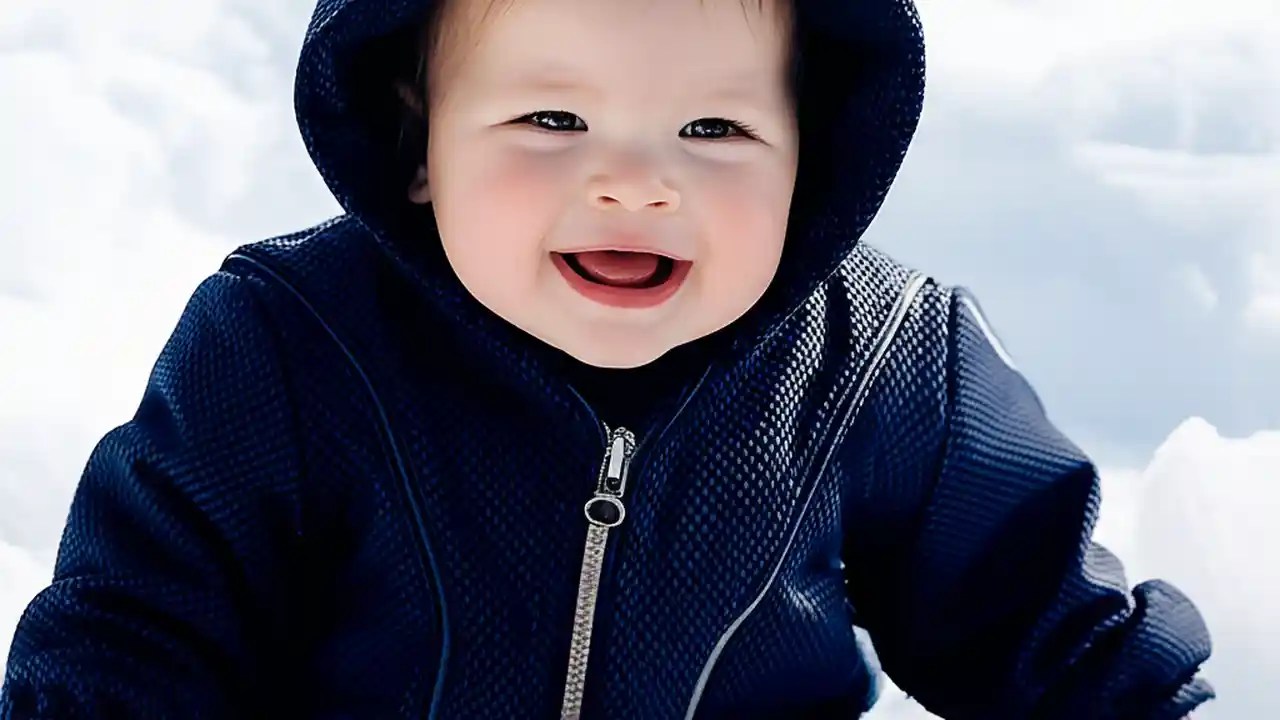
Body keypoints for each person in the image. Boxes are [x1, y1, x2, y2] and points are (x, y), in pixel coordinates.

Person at [1, 0, 1213, 717]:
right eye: (551, 120)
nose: (634, 179)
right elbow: (133, 641)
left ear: (814, 158)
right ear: (421, 146)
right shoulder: (285, 346)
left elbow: (1058, 642)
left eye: (713, 128)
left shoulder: (883, 364)